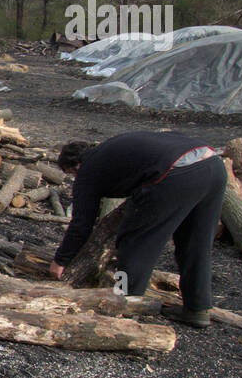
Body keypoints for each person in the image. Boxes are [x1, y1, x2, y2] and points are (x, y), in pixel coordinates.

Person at [49, 132, 227, 328]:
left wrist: (61, 260)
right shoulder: (112, 149)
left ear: (76, 166)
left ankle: (126, 306)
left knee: (133, 243)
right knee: (196, 242)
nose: (75, 180)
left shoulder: (88, 170)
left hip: (174, 173)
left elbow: (81, 223)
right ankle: (197, 309)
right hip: (213, 165)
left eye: (72, 175)